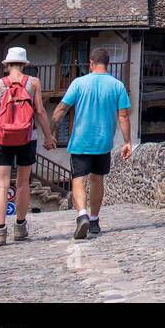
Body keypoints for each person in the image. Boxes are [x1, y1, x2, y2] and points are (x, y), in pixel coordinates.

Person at [49, 47, 132, 240]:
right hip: (103, 143)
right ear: (107, 64)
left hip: (81, 141)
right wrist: (127, 142)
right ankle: (94, 221)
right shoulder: (117, 85)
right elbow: (123, 116)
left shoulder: (78, 83)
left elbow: (61, 109)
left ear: (91, 63)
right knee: (97, 180)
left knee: (79, 180)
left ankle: (81, 215)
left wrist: (51, 134)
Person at [0, 47, 57, 247]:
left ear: (7, 64)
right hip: (27, 136)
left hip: (2, 136)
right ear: (24, 64)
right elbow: (40, 111)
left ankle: (0, 232)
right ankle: (20, 227)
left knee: (2, 184)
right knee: (22, 183)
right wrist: (49, 136)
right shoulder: (33, 83)